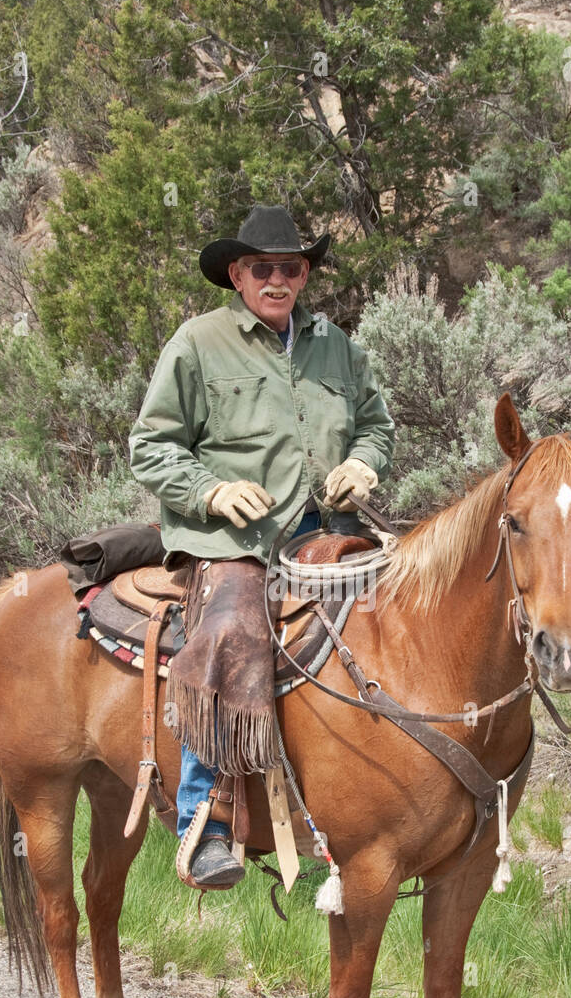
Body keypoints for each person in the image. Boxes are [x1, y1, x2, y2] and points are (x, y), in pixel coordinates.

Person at [129, 205, 395, 888]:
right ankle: (207, 820)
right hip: (230, 537)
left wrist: (365, 462)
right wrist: (211, 491)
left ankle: (370, 801)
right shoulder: (196, 344)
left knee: (401, 614)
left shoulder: (337, 344)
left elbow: (375, 424)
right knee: (231, 627)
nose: (277, 279)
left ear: (305, 273)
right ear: (237, 275)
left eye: (290, 267)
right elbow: (151, 447)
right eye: (262, 268)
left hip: (325, 530)